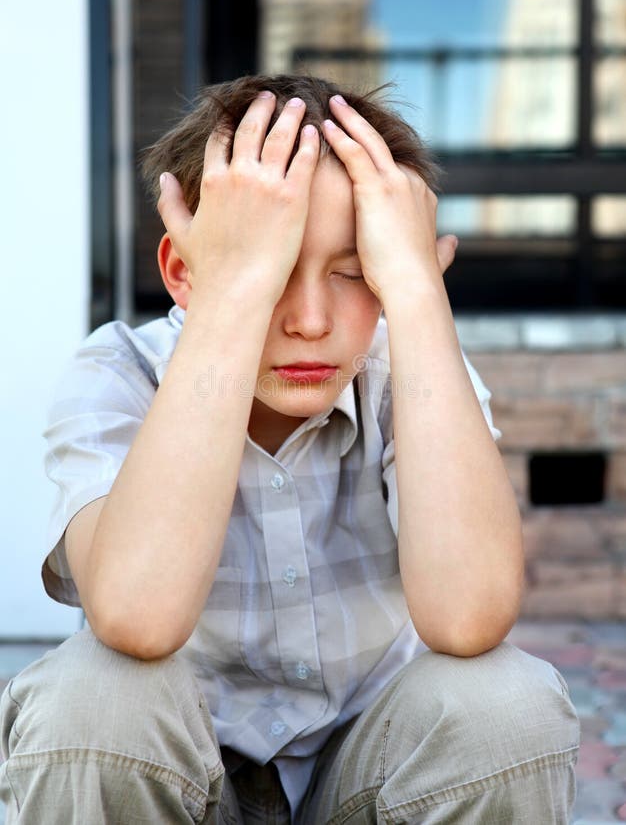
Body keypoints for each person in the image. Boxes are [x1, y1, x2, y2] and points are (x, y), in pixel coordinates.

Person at [0, 74, 580, 824]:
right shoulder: (119, 373)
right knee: (90, 699)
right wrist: (233, 293)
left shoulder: (411, 366)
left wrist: (413, 293)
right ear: (183, 270)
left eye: (352, 272)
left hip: (371, 780)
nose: (310, 319)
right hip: (183, 777)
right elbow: (136, 617)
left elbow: (469, 618)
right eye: (271, 273)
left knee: (509, 706)